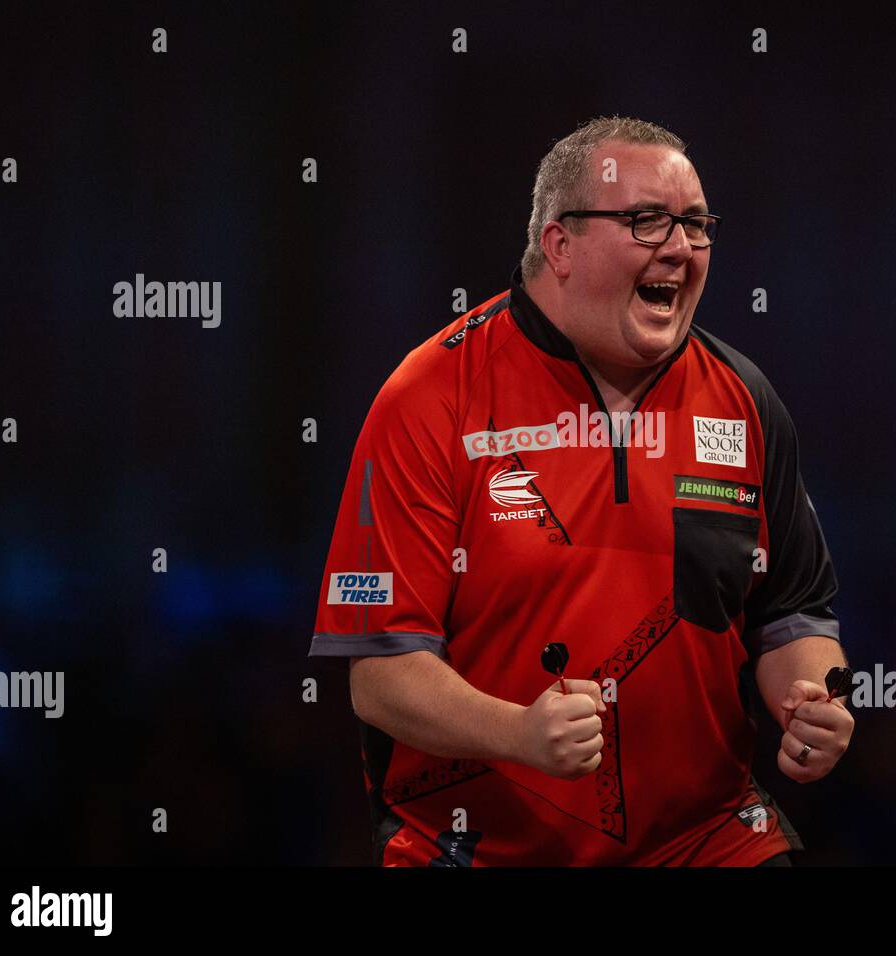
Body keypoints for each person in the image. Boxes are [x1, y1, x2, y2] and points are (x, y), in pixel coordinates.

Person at [308, 115, 853, 866]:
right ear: (560, 245)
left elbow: (791, 612)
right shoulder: (429, 396)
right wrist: (519, 735)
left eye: (696, 225)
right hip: (479, 849)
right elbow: (380, 674)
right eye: (646, 220)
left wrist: (811, 702)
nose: (680, 247)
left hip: (708, 842)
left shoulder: (744, 399)